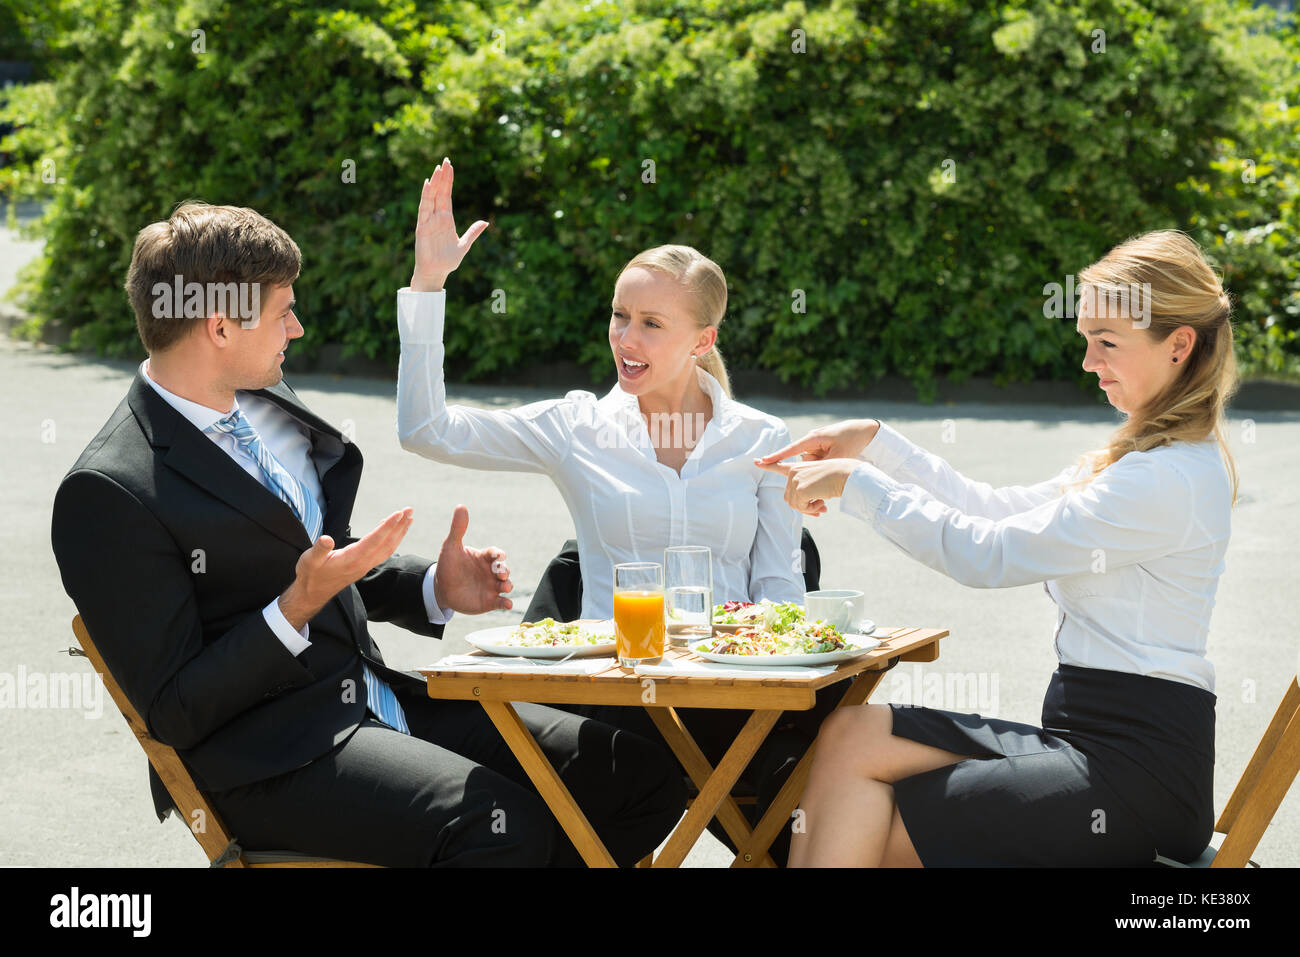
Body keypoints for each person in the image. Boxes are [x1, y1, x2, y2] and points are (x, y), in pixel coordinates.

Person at [50, 200, 685, 867]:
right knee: (500, 827)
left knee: (635, 777)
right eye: (281, 311)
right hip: (269, 758)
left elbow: (325, 556)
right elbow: (176, 709)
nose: (296, 327)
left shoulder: (262, 400)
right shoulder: (110, 491)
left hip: (375, 696)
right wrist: (292, 607)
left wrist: (432, 586)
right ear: (218, 327)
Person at [757, 230, 1237, 867]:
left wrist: (857, 484)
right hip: (1087, 741)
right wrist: (876, 443)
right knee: (850, 732)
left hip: (1135, 775)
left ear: (1180, 344)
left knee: (860, 826)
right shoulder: (1142, 461)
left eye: (1108, 343)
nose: (1089, 362)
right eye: (1087, 340)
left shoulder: (1165, 478)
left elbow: (988, 554)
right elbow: (993, 510)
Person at [394, 158, 826, 863]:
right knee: (605, 796)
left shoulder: (762, 441)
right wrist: (429, 285)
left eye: (651, 323)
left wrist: (773, 660)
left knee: (812, 796)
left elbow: (781, 586)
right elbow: (426, 429)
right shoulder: (576, 427)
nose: (625, 338)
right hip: (615, 700)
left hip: (735, 697)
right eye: (620, 315)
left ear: (702, 340)